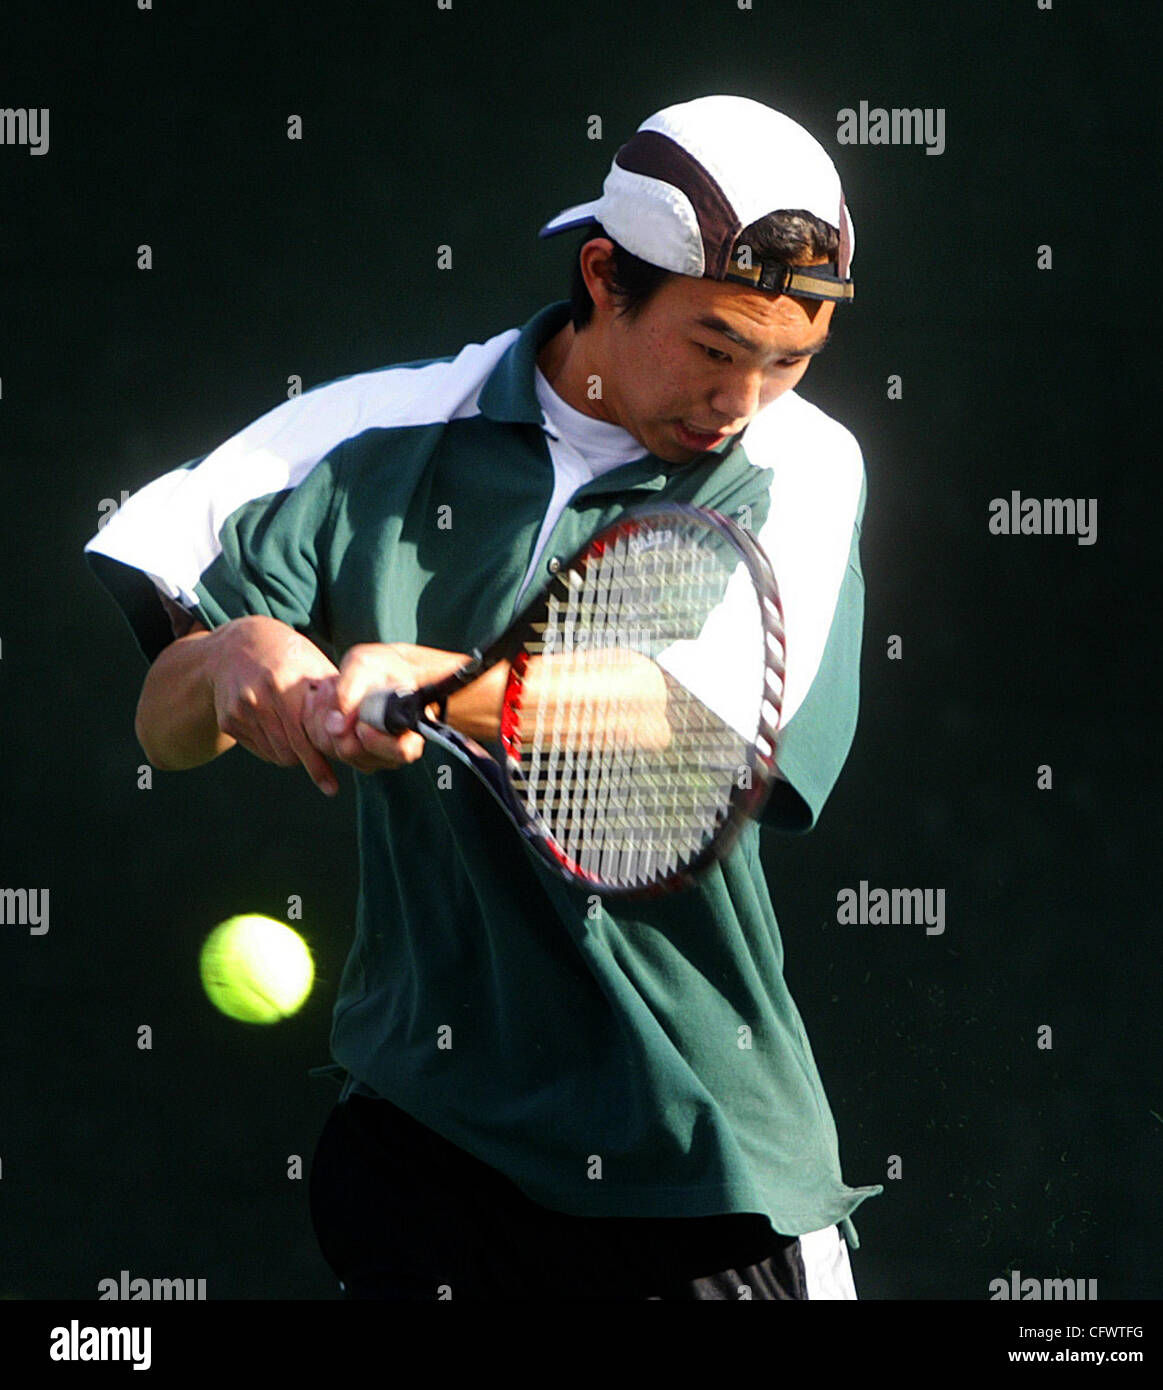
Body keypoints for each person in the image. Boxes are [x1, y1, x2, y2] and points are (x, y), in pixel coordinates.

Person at [85, 94, 881, 1300]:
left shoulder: (796, 464)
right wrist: (243, 654)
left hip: (691, 1161)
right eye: (716, 347)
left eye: (788, 360)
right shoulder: (371, 432)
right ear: (602, 276)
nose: (743, 397)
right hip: (426, 1141)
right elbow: (168, 716)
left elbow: (691, 722)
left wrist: (433, 682)